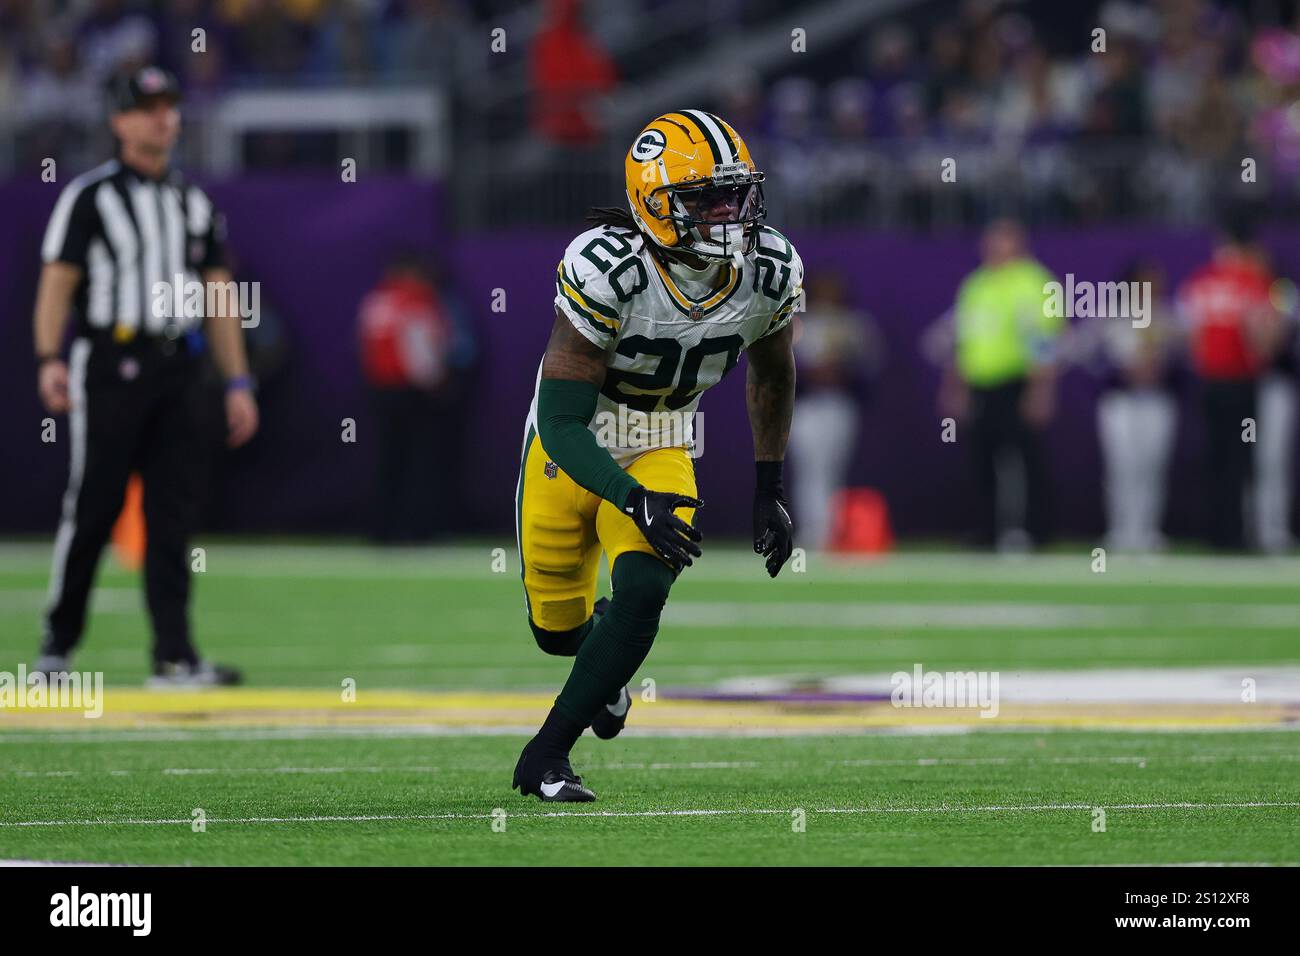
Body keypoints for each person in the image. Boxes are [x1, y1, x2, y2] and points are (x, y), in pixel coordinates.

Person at [512, 110, 802, 801]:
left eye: (737, 195)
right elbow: (561, 421)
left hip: (662, 436)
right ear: (655, 204)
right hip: (571, 446)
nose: (730, 215)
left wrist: (769, 486)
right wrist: (627, 496)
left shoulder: (768, 271)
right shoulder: (609, 268)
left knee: (645, 587)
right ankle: (600, 663)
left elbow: (772, 373)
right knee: (557, 634)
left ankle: (547, 756)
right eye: (708, 199)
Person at [32, 66, 258, 686]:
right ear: (119, 120)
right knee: (95, 506)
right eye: (148, 106)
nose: (163, 116)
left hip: (179, 367)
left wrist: (237, 381)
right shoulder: (89, 196)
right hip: (111, 361)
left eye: (170, 105)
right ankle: (57, 647)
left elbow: (219, 296)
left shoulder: (193, 202)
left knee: (173, 514)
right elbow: (58, 282)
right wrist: (49, 357)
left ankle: (174, 654)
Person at [939, 219, 1061, 549]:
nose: (994, 249)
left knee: (1023, 460)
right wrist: (955, 385)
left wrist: (1040, 390)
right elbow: (962, 340)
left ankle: (1033, 531)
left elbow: (1043, 340)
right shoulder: (976, 284)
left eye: (1003, 242)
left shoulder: (1033, 282)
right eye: (991, 242)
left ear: (1019, 245)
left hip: (1017, 381)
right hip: (981, 385)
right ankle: (988, 532)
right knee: (982, 461)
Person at [1178, 215, 1282, 549]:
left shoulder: (1202, 280)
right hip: (1240, 383)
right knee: (1241, 457)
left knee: (1218, 456)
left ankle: (1218, 533)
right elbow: (1268, 338)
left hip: (1214, 382)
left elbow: (1191, 337)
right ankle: (1238, 533)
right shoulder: (1256, 281)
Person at [1082, 261, 1182, 552]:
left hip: (1157, 400)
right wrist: (1120, 367)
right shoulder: (1110, 317)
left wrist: (1161, 362)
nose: (1151, 290)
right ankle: (1121, 530)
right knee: (1121, 466)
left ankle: (1149, 530)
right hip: (1120, 401)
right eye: (1145, 284)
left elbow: (1185, 355)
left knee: (1152, 465)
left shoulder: (1168, 317)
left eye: (1155, 285)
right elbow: (1085, 354)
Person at [357, 254, 453, 543]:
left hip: (380, 392)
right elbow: (422, 351)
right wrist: (438, 384)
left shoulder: (376, 301)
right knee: (419, 462)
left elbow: (365, 345)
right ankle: (419, 530)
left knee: (387, 461)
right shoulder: (417, 299)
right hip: (412, 393)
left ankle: (381, 530)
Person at [788, 271, 883, 550]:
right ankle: (811, 530)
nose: (828, 296)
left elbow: (868, 365)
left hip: (839, 404)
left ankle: (833, 531)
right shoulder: (797, 323)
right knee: (809, 469)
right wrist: (812, 373)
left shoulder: (854, 325)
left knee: (832, 469)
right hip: (805, 405)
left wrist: (840, 369)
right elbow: (782, 367)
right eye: (823, 290)